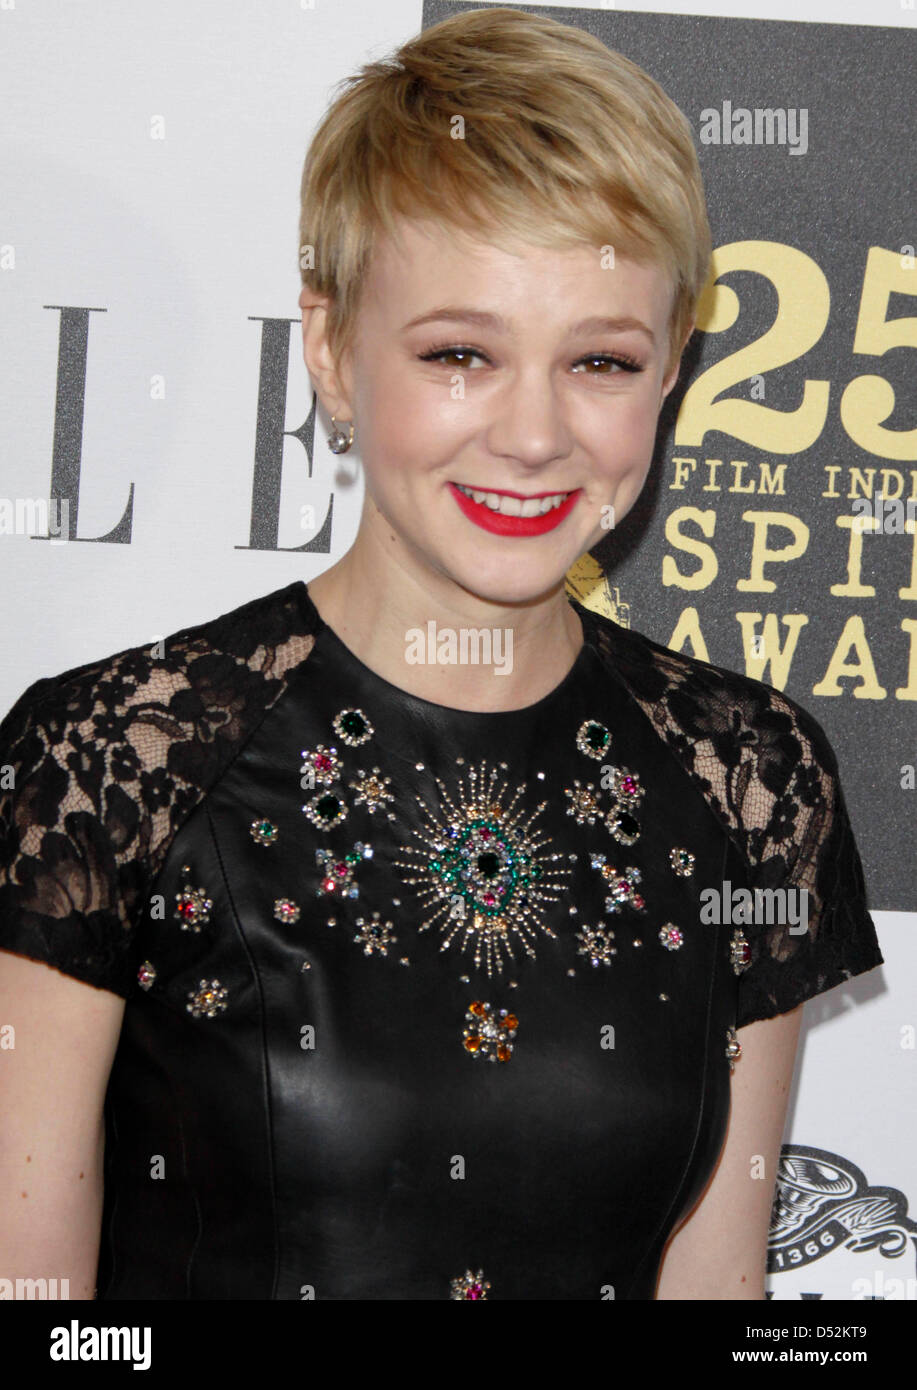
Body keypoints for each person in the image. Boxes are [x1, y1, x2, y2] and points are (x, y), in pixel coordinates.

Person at [0, 7, 883, 1301]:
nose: (532, 434)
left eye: (598, 357)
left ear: (670, 372)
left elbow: (717, 1296)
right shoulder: (108, 761)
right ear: (331, 351)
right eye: (460, 354)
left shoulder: (751, 778)